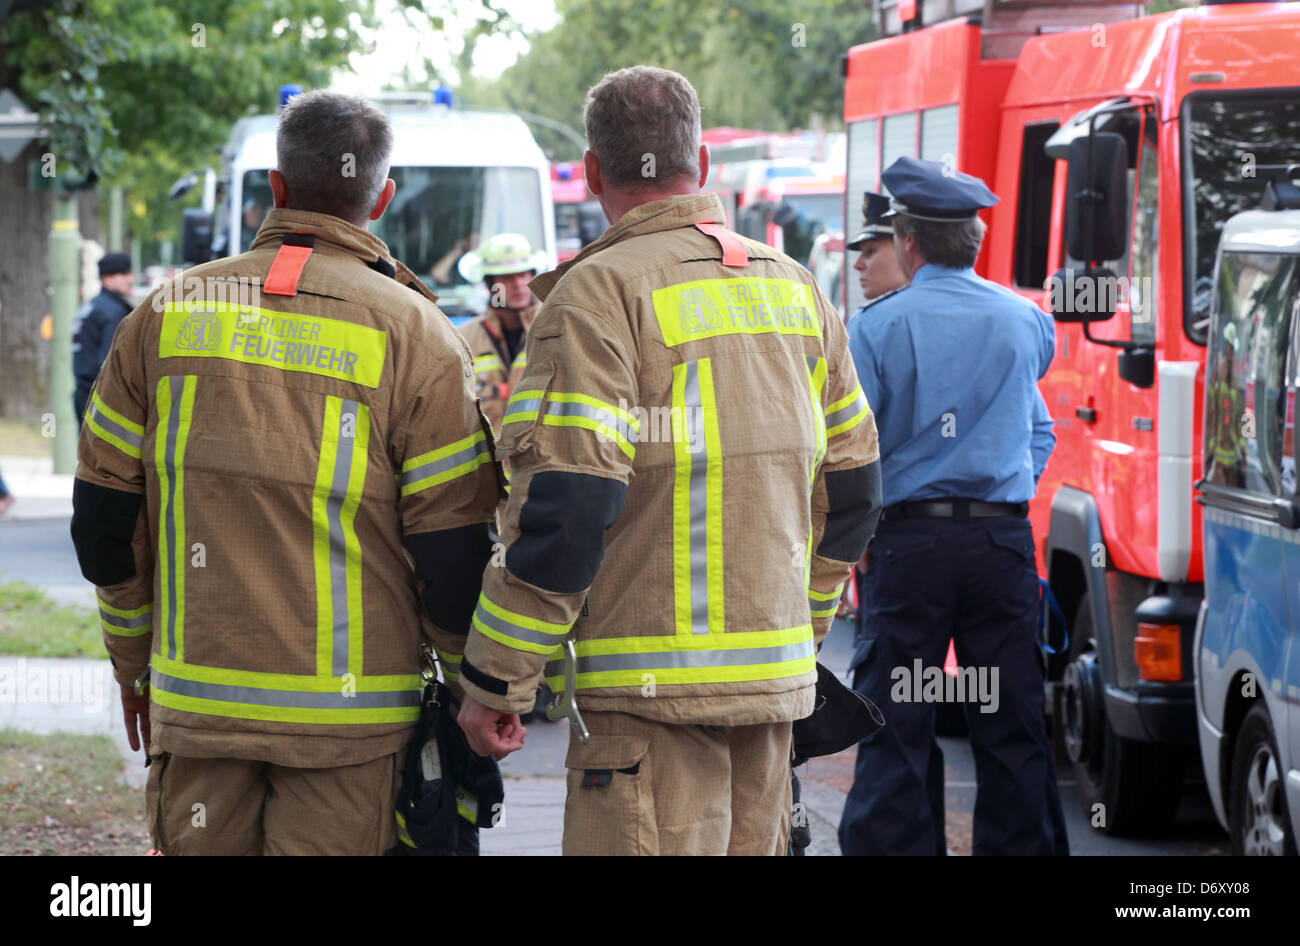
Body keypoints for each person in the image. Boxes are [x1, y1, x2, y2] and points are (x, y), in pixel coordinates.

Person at [454, 65, 882, 856]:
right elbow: (854, 492)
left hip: (645, 719)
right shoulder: (796, 293)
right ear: (704, 167)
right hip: (771, 706)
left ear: (591, 172)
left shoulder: (596, 297)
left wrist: (496, 680)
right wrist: (799, 624)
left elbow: (569, 507)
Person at [70, 90, 501, 856]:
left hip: (201, 715)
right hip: (349, 732)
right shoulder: (419, 337)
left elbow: (104, 524)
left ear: (275, 186)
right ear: (383, 198)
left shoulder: (163, 319)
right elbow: (453, 552)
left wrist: (134, 669)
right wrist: (473, 688)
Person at [839, 156, 1065, 856]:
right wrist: (999, 484)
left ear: (909, 243)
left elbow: (852, 449)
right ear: (973, 240)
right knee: (1010, 722)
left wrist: (861, 533)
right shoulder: (1026, 322)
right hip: (1001, 548)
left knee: (898, 719)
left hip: (911, 553)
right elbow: (1039, 429)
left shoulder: (876, 328)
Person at [457, 233, 546, 433]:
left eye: (523, 274)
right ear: (489, 285)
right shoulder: (463, 339)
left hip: (540, 460)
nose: (518, 284)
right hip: (490, 461)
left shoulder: (553, 328)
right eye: (507, 277)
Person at [72, 252, 134, 423]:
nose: (130, 279)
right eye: (123, 274)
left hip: (84, 392)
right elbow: (111, 360)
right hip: (102, 397)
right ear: (107, 278)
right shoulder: (112, 312)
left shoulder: (91, 306)